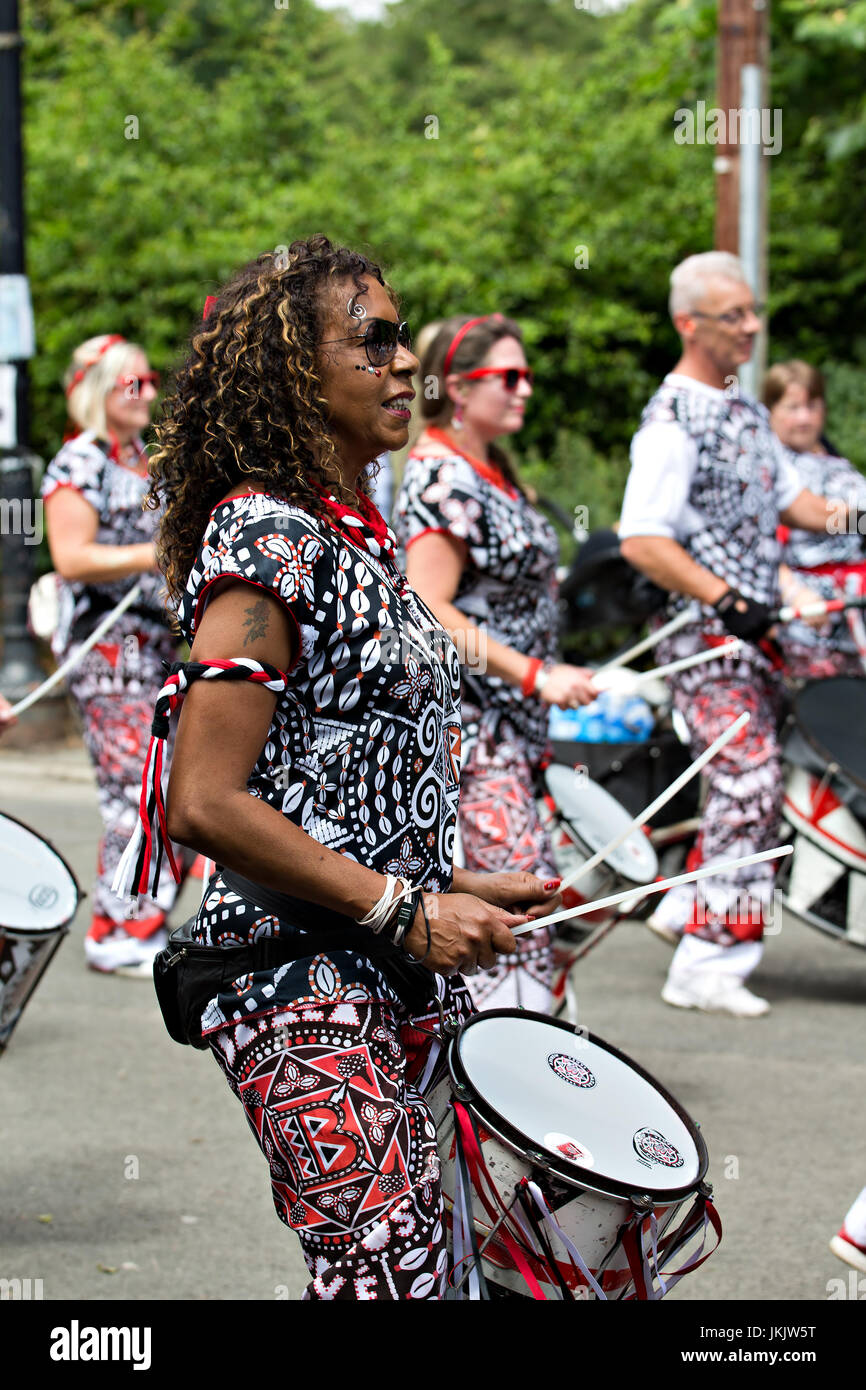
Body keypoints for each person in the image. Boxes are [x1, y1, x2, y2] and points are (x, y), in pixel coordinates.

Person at [138, 237, 561, 1301]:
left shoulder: (358, 539)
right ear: (293, 370)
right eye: (370, 340)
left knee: (451, 1272)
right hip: (293, 983)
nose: (404, 360)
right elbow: (203, 799)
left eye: (403, 333)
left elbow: (325, 781)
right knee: (394, 1280)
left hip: (380, 966)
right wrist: (403, 912)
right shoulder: (264, 539)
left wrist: (447, 885)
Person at [619, 252, 862, 1018]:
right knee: (749, 781)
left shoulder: (745, 410)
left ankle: (694, 924)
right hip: (706, 640)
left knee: (752, 791)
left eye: (755, 312)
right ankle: (708, 961)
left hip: (757, 641)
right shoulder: (672, 418)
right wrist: (727, 598)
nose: (753, 327)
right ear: (689, 324)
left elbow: (803, 507)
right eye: (736, 316)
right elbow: (641, 539)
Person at [393, 314, 595, 1012]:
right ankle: (501, 1072)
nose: (525, 390)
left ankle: (515, 1044)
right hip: (473, 727)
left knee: (548, 891)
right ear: (454, 386)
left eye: (528, 376)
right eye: (508, 377)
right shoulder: (443, 474)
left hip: (514, 727)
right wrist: (534, 673)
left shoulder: (491, 470)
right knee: (515, 902)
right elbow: (429, 604)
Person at [40, 334, 191, 976]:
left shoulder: (142, 462)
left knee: (170, 786)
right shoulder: (79, 462)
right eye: (136, 382)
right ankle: (115, 925)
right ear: (102, 388)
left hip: (155, 645)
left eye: (151, 379)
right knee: (132, 789)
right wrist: (152, 554)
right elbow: (71, 557)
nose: (150, 392)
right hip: (107, 648)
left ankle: (141, 920)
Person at [763, 359, 866, 677]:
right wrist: (794, 592)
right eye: (793, 407)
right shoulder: (772, 466)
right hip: (809, 628)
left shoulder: (835, 461)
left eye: (812, 405)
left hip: (855, 621)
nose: (804, 418)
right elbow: (768, 534)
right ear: (770, 410)